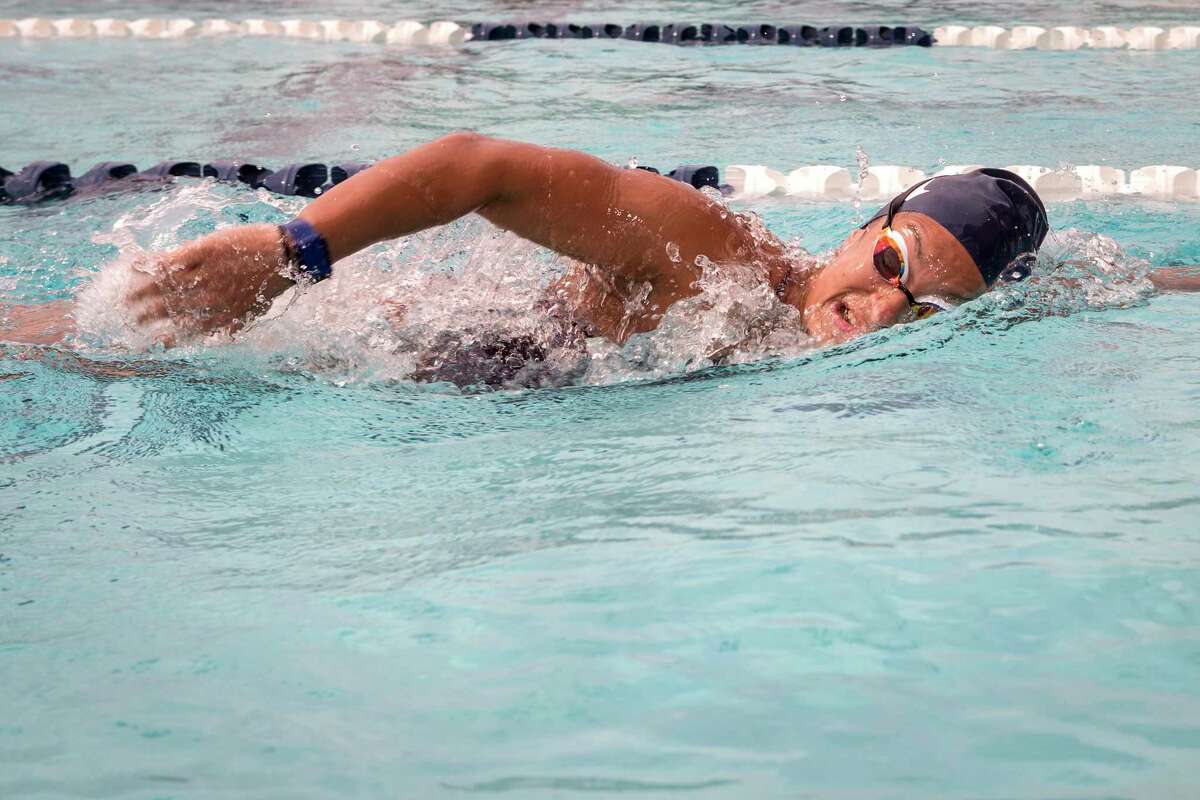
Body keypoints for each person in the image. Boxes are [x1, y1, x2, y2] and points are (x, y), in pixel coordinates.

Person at [2, 133, 1197, 385]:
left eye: (931, 311)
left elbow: (1110, 280)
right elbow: (482, 167)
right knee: (94, 344)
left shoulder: (957, 307)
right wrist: (294, 245)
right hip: (381, 350)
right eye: (890, 263)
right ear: (863, 220)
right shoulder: (716, 256)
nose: (880, 312)